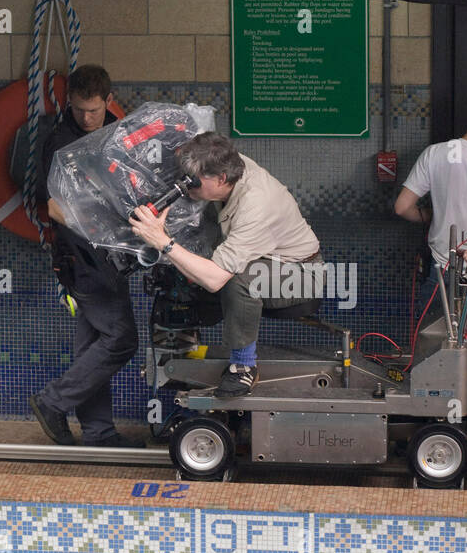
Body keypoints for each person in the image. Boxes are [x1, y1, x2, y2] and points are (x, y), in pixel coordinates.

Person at [128, 132, 322, 396]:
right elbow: (192, 148)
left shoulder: (257, 205)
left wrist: (163, 242)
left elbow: (216, 278)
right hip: (262, 258)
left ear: (221, 179)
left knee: (236, 279)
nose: (187, 186)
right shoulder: (225, 163)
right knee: (182, 273)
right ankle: (187, 340)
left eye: (193, 181)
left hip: (300, 274)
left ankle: (243, 367)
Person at [29, 65, 143, 448]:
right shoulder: (59, 140)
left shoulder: (118, 133)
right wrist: (99, 230)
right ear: (69, 103)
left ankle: (98, 432)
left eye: (93, 109)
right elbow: (52, 207)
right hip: (82, 258)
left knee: (93, 343)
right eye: (78, 109)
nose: (86, 117)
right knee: (122, 339)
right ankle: (52, 402)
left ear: (108, 101)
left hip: (114, 255)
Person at [394, 84, 467, 460]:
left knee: (434, 363)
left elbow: (403, 207)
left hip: (442, 278)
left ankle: (437, 444)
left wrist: (432, 219)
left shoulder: (437, 154)